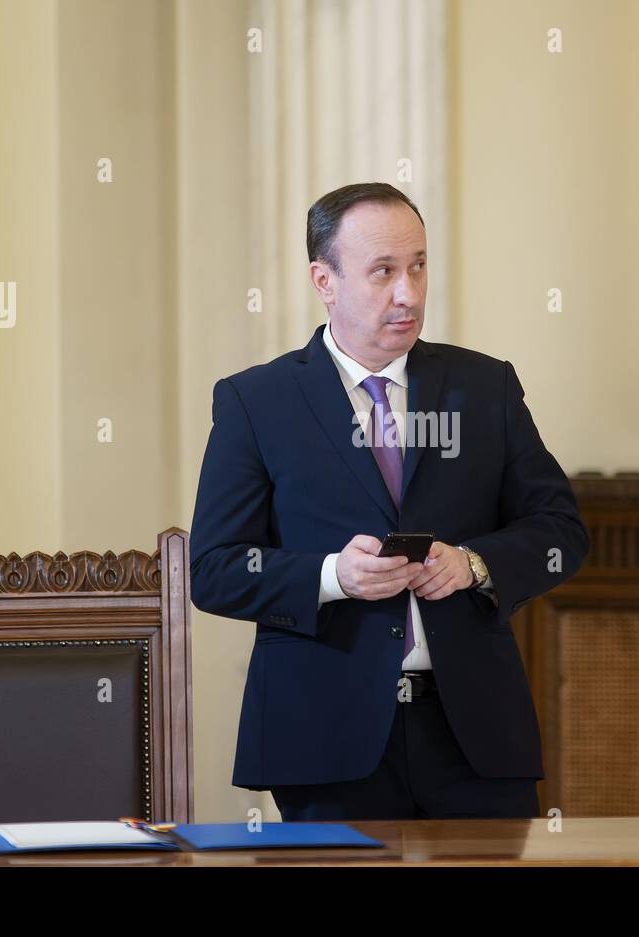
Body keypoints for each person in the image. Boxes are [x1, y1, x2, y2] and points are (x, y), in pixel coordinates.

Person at [189, 182, 588, 820]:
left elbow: (561, 533)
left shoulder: (485, 386)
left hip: (475, 736)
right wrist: (332, 576)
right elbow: (212, 571)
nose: (408, 293)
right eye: (383, 272)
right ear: (325, 279)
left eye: (418, 266)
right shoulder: (255, 403)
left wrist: (473, 564)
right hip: (325, 737)